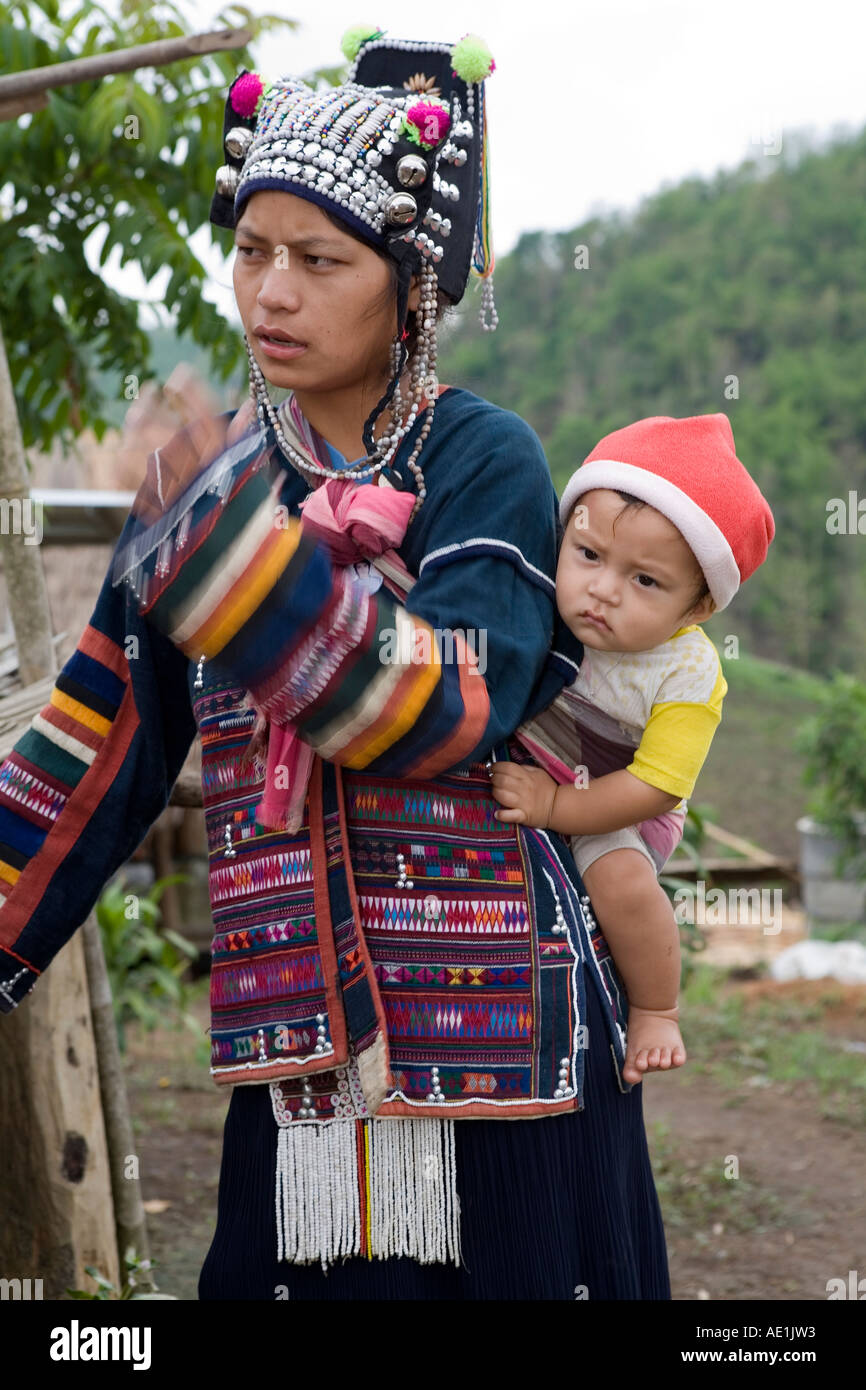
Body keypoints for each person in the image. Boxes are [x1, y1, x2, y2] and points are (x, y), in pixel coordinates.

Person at [0, 27, 671, 1300]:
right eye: (253, 251)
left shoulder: (485, 463)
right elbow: (91, 757)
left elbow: (441, 706)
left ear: (408, 285)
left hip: (505, 1043)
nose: (271, 294)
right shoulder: (199, 494)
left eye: (320, 260)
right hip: (300, 1041)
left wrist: (243, 575)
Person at [491, 415, 775, 1086]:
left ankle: (655, 1007)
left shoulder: (688, 673)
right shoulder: (542, 594)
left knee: (621, 882)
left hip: (615, 799)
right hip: (529, 754)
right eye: (588, 555)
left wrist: (559, 805)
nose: (603, 589)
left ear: (698, 607)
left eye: (645, 581)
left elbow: (658, 786)